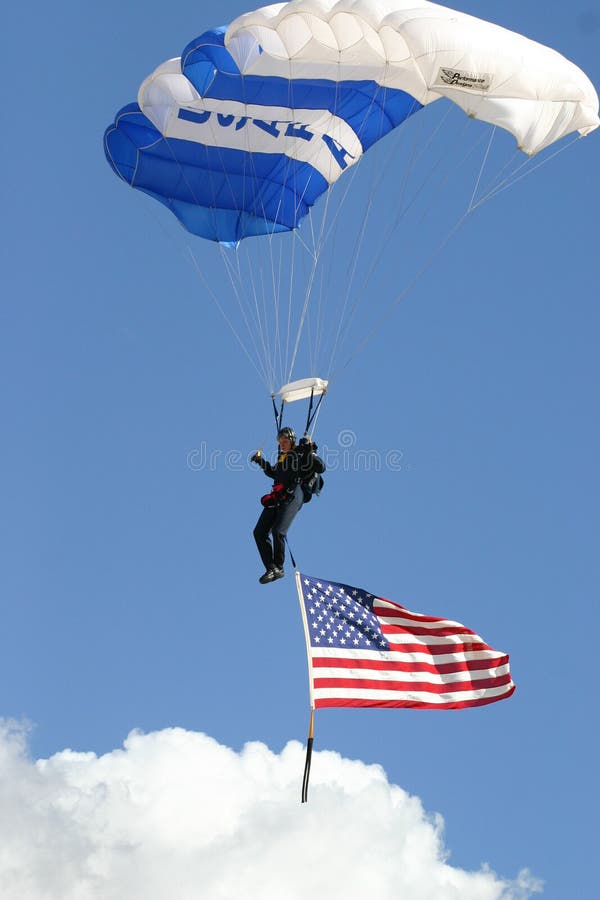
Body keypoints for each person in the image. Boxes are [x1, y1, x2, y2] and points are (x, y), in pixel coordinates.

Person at [251, 427, 325, 584]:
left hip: (294, 494)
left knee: (278, 531)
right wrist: (261, 462)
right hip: (278, 496)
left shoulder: (301, 453)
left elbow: (321, 467)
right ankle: (271, 568)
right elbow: (274, 472)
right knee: (259, 532)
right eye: (280, 442)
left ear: (292, 441)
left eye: (285, 441)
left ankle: (279, 567)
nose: (282, 444)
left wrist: (309, 450)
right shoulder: (283, 458)